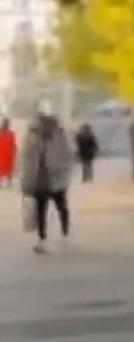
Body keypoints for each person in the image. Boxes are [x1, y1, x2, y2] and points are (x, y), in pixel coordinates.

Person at [21, 105, 73, 254]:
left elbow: (67, 155)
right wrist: (26, 181)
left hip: (55, 179)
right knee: (42, 212)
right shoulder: (33, 135)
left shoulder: (58, 134)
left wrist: (61, 170)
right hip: (40, 180)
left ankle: (64, 231)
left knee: (60, 207)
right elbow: (27, 159)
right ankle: (42, 240)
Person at [0, 117, 16, 188]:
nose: (5, 125)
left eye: (6, 123)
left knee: (8, 169)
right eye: (4, 123)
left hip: (8, 154)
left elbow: (13, 144)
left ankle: (9, 183)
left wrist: (14, 152)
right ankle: (2, 182)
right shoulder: (2, 132)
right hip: (2, 153)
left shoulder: (11, 134)